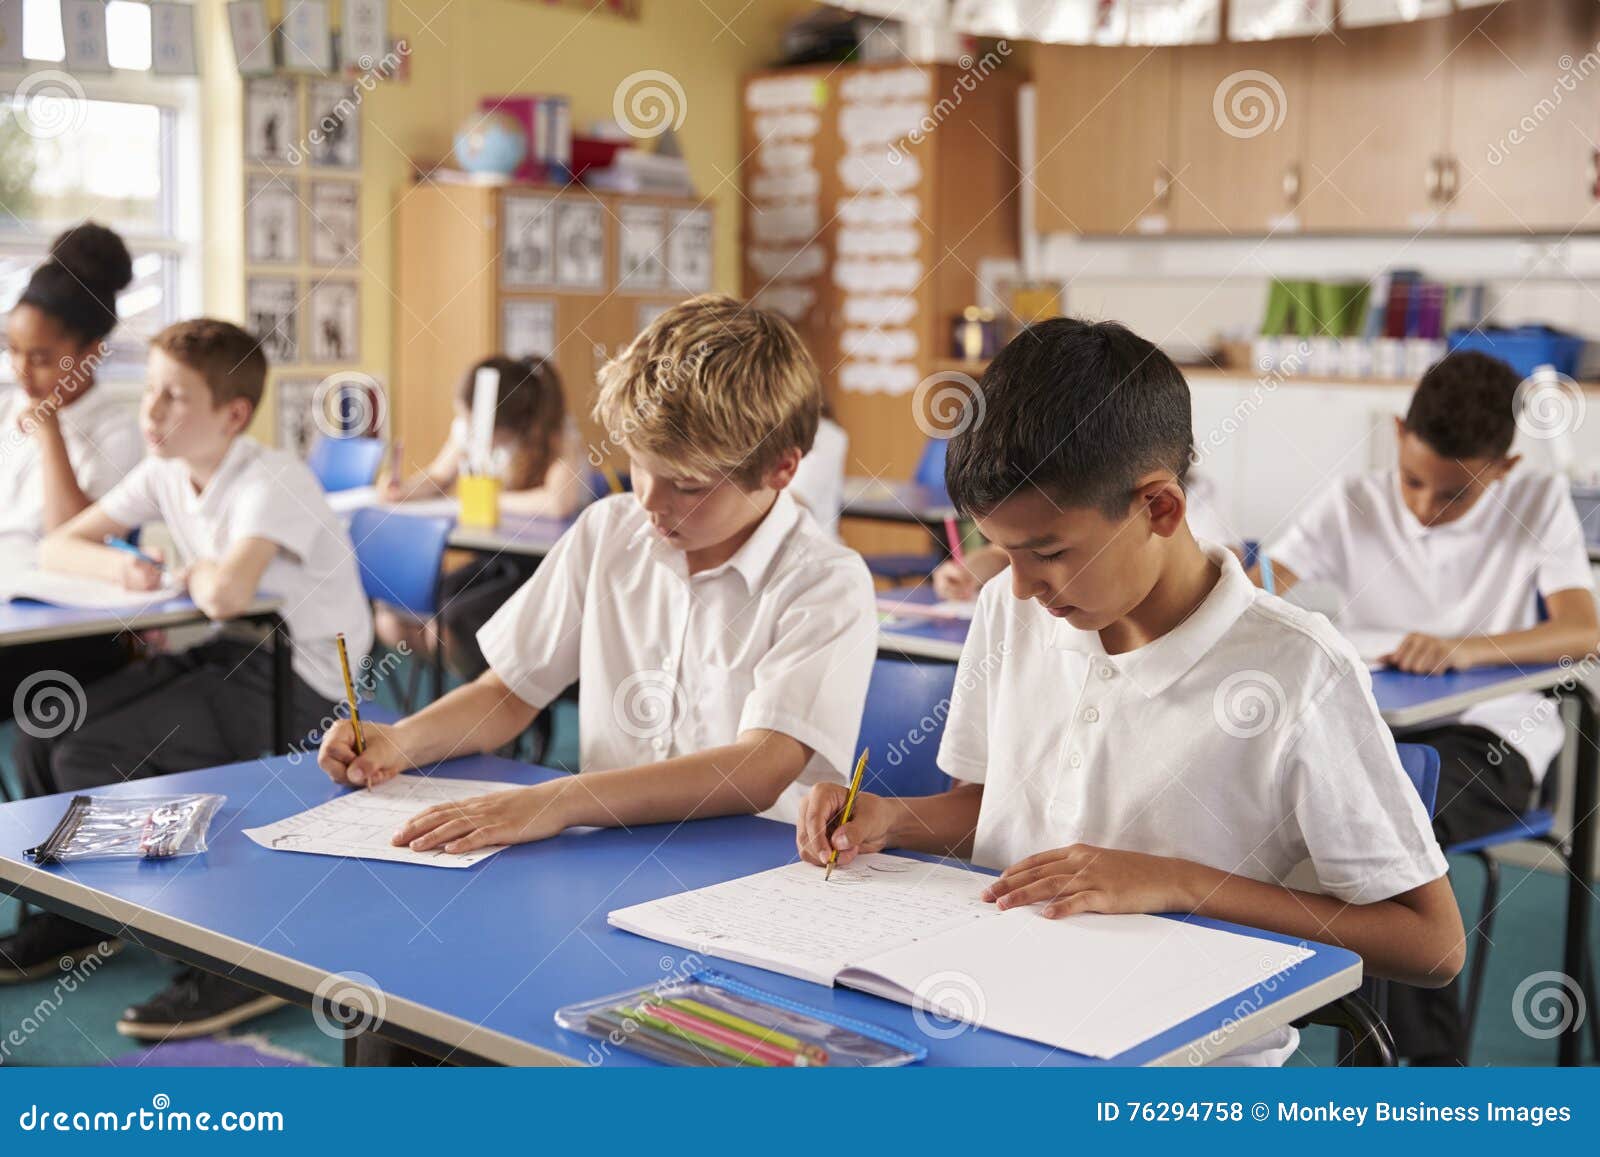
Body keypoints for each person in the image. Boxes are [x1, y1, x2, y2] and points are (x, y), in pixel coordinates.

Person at [795, 317, 1464, 1066]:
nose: (1019, 584)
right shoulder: (1012, 609)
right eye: (999, 551)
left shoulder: (1298, 668)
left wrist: (1175, 882)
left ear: (1159, 508)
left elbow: (1433, 943)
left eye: (1048, 551)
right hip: (1000, 1011)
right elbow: (999, 812)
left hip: (1185, 1060)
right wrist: (889, 818)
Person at [2, 319, 373, 1039]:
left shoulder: (272, 477)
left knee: (89, 755)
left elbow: (227, 592)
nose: (151, 411)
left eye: (174, 397)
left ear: (233, 415)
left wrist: (193, 570)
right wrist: (125, 565)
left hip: (308, 685)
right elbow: (61, 541)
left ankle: (226, 958)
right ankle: (76, 915)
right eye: (149, 391)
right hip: (232, 654)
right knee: (36, 741)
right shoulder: (167, 467)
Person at [1252, 350, 1599, 1064]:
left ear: (1502, 468)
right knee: (1287, 807)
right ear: (1399, 430)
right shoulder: (1355, 499)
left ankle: (1417, 1070)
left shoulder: (1536, 501)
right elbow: (1256, 580)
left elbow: (1584, 629)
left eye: (1454, 495)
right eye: (1412, 480)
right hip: (1372, 733)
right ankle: (1341, 1034)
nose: (1422, 508)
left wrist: (1464, 646)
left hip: (1490, 745)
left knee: (1395, 830)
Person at [376, 354, 588, 679]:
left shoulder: (555, 434)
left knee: (459, 618)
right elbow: (438, 475)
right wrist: (403, 491)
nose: (464, 427)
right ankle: (476, 681)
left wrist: (491, 499)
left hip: (542, 566)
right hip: (496, 557)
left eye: (471, 419)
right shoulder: (469, 431)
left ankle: (498, 690)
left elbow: (558, 502)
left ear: (503, 424)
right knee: (431, 600)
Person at [1, 223, 143, 707]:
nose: (21, 370)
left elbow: (70, 538)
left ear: (91, 354)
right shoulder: (7, 409)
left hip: (65, 631)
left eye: (40, 357)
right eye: (12, 349)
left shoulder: (116, 430)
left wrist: (49, 431)